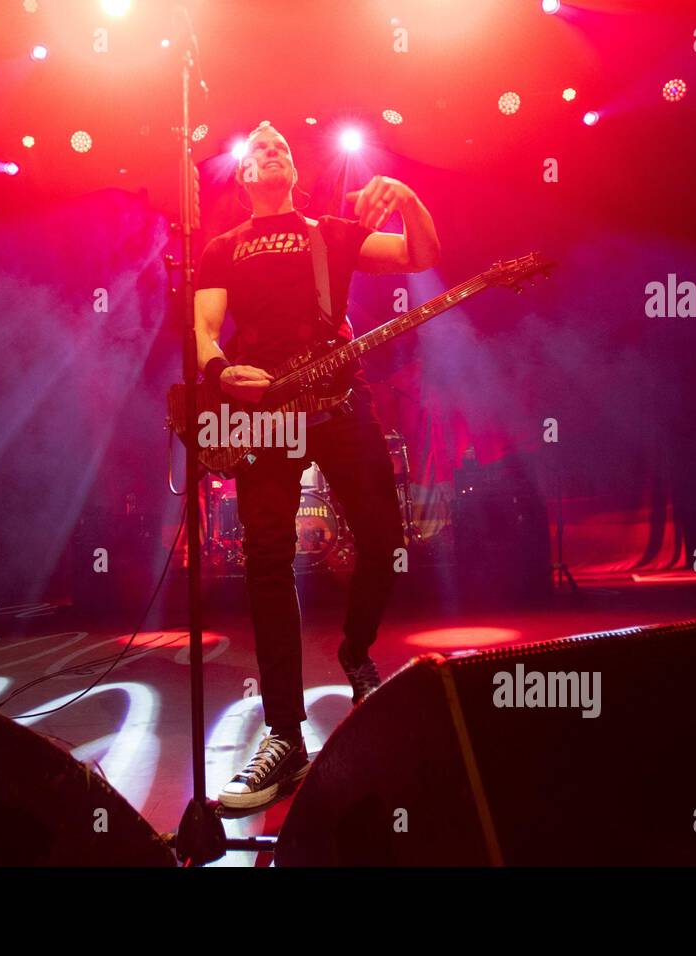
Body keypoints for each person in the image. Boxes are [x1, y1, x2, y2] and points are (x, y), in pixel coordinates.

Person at [194, 123, 440, 808]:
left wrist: (407, 198)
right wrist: (217, 369)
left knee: (386, 538)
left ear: (294, 169)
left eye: (279, 148)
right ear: (242, 177)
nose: (267, 152)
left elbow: (421, 254)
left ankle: (356, 652)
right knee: (268, 559)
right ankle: (284, 737)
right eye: (255, 151)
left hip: (337, 400)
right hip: (266, 410)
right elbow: (203, 326)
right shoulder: (222, 247)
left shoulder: (331, 231)